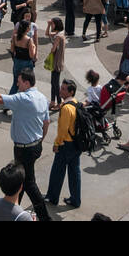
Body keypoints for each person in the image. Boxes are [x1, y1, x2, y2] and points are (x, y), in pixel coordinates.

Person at [0, 69, 52, 221]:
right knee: (20, 180)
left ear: (27, 83)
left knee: (28, 184)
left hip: (23, 149)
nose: (17, 85)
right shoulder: (42, 98)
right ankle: (15, 209)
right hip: (35, 146)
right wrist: (40, 141)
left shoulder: (23, 98)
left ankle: (45, 218)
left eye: (19, 82)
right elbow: (46, 123)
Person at [45, 77, 82, 209]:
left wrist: (56, 144)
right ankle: (75, 199)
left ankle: (52, 197)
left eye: (64, 89)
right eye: (61, 87)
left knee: (57, 172)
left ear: (71, 92)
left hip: (65, 145)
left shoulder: (66, 109)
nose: (61, 90)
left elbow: (62, 130)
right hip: (76, 145)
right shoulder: (76, 103)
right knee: (74, 173)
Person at [44, 17, 65, 110]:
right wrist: (48, 25)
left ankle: (59, 103)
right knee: (53, 82)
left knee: (55, 83)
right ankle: (53, 101)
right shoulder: (59, 33)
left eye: (52, 24)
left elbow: (53, 49)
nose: (51, 25)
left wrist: (50, 52)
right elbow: (47, 34)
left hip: (56, 61)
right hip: (58, 60)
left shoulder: (58, 36)